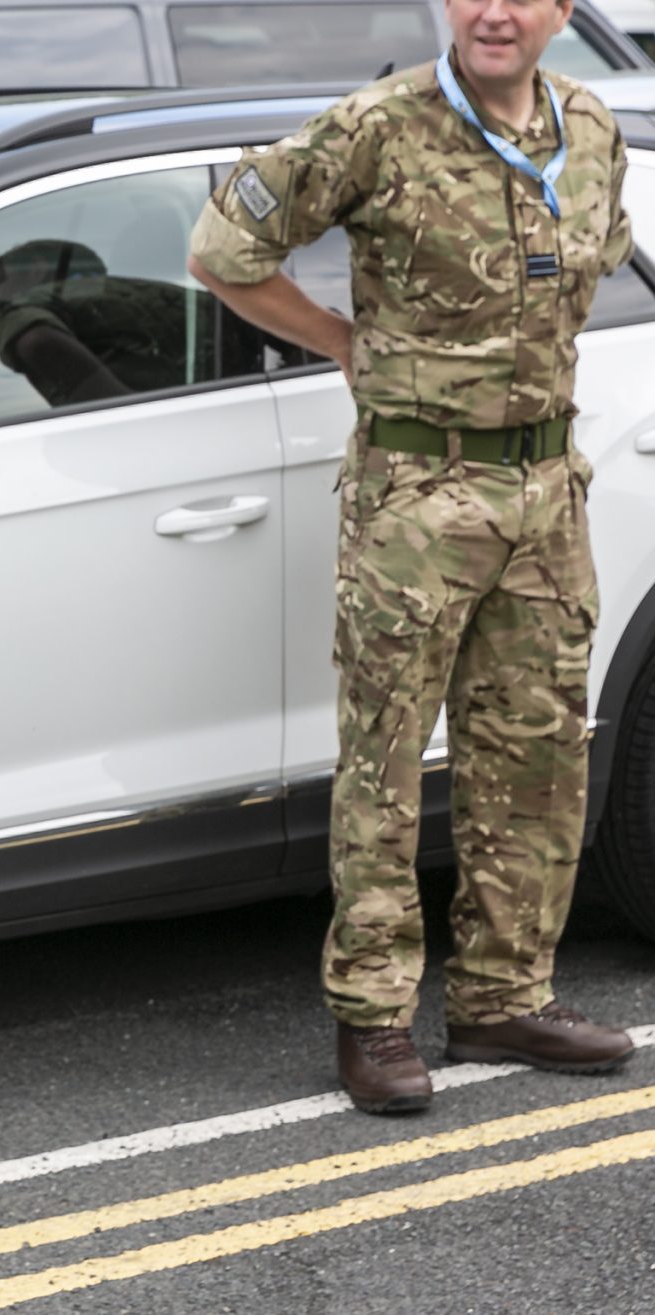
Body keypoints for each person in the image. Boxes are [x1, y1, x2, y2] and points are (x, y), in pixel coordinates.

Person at [187, 0, 635, 1116]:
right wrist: (340, 341)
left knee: (536, 752)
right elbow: (221, 251)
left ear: (562, 10)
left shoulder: (591, 127)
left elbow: (587, 268)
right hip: (416, 493)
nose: (495, 12)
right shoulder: (375, 126)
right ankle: (374, 1016)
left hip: (545, 490)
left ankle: (502, 997)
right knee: (384, 760)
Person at [0, 239, 205, 406]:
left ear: (34, 269)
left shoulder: (29, 307)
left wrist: (123, 412)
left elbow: (37, 340)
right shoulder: (156, 300)